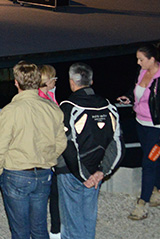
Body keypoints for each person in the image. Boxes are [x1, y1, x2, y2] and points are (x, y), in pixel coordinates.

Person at [0, 62, 67, 239]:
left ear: (16, 82)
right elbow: (61, 142)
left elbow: (0, 145)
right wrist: (48, 157)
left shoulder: (11, 110)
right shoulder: (52, 108)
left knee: (20, 230)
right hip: (43, 173)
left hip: (16, 173)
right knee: (39, 227)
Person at [55, 62, 123, 239]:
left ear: (71, 82)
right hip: (96, 171)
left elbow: (68, 146)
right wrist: (101, 172)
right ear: (91, 81)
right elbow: (118, 145)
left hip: (72, 173)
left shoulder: (68, 107)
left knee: (72, 224)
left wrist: (84, 176)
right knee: (88, 220)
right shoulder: (109, 107)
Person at [116, 42, 160, 221]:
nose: (138, 62)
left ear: (152, 59)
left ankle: (143, 203)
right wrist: (128, 96)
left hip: (155, 128)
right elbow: (137, 91)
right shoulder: (142, 72)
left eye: (141, 59)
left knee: (148, 162)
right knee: (151, 157)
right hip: (140, 123)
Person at [37, 64, 60, 237]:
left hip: (51, 150)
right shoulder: (41, 98)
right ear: (48, 80)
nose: (56, 82)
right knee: (47, 195)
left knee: (54, 193)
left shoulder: (49, 94)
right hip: (45, 152)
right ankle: (51, 231)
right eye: (55, 79)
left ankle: (55, 229)